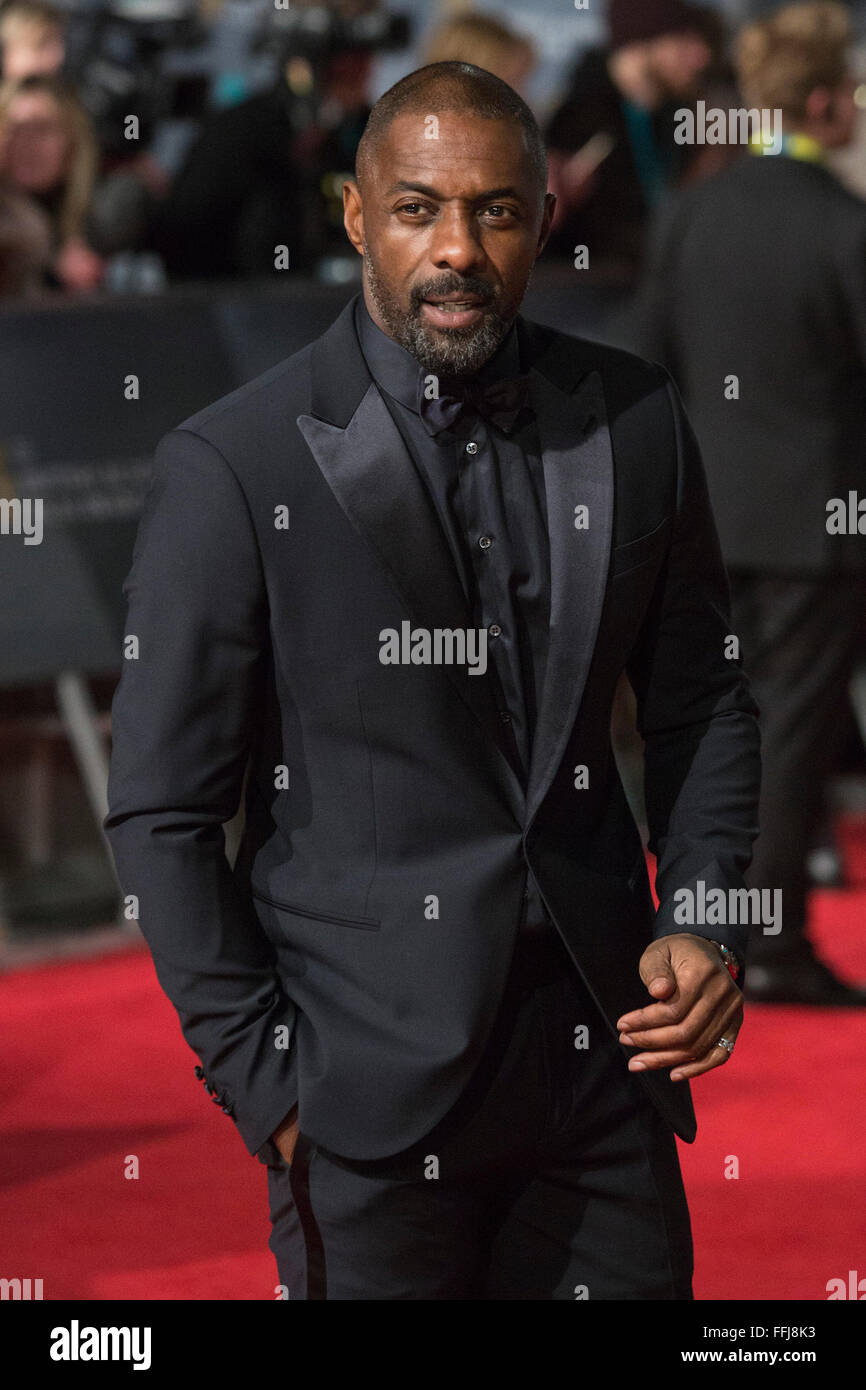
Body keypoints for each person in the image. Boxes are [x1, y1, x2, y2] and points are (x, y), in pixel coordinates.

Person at [104, 60, 760, 1300]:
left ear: (541, 217)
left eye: (494, 210)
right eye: (417, 209)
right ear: (356, 216)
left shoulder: (632, 417)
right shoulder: (234, 464)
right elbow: (161, 810)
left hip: (600, 1068)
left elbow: (704, 698)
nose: (456, 247)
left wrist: (704, 912)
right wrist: (268, 1087)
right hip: (360, 1101)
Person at [631, 1, 866, 1005]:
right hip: (818, 526)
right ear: (819, 100)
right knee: (784, 735)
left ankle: (705, 928)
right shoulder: (843, 225)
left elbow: (646, 360)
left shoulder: (691, 211)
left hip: (711, 519)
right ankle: (760, 944)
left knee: (717, 727)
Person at [544, 0, 713, 282]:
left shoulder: (676, 115)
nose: (702, 56)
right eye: (683, 41)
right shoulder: (576, 127)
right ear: (640, 47)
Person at [0, 72, 103, 290]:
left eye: (41, 128)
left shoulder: (96, 218)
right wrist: (51, 270)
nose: (26, 143)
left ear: (72, 142)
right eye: (15, 129)